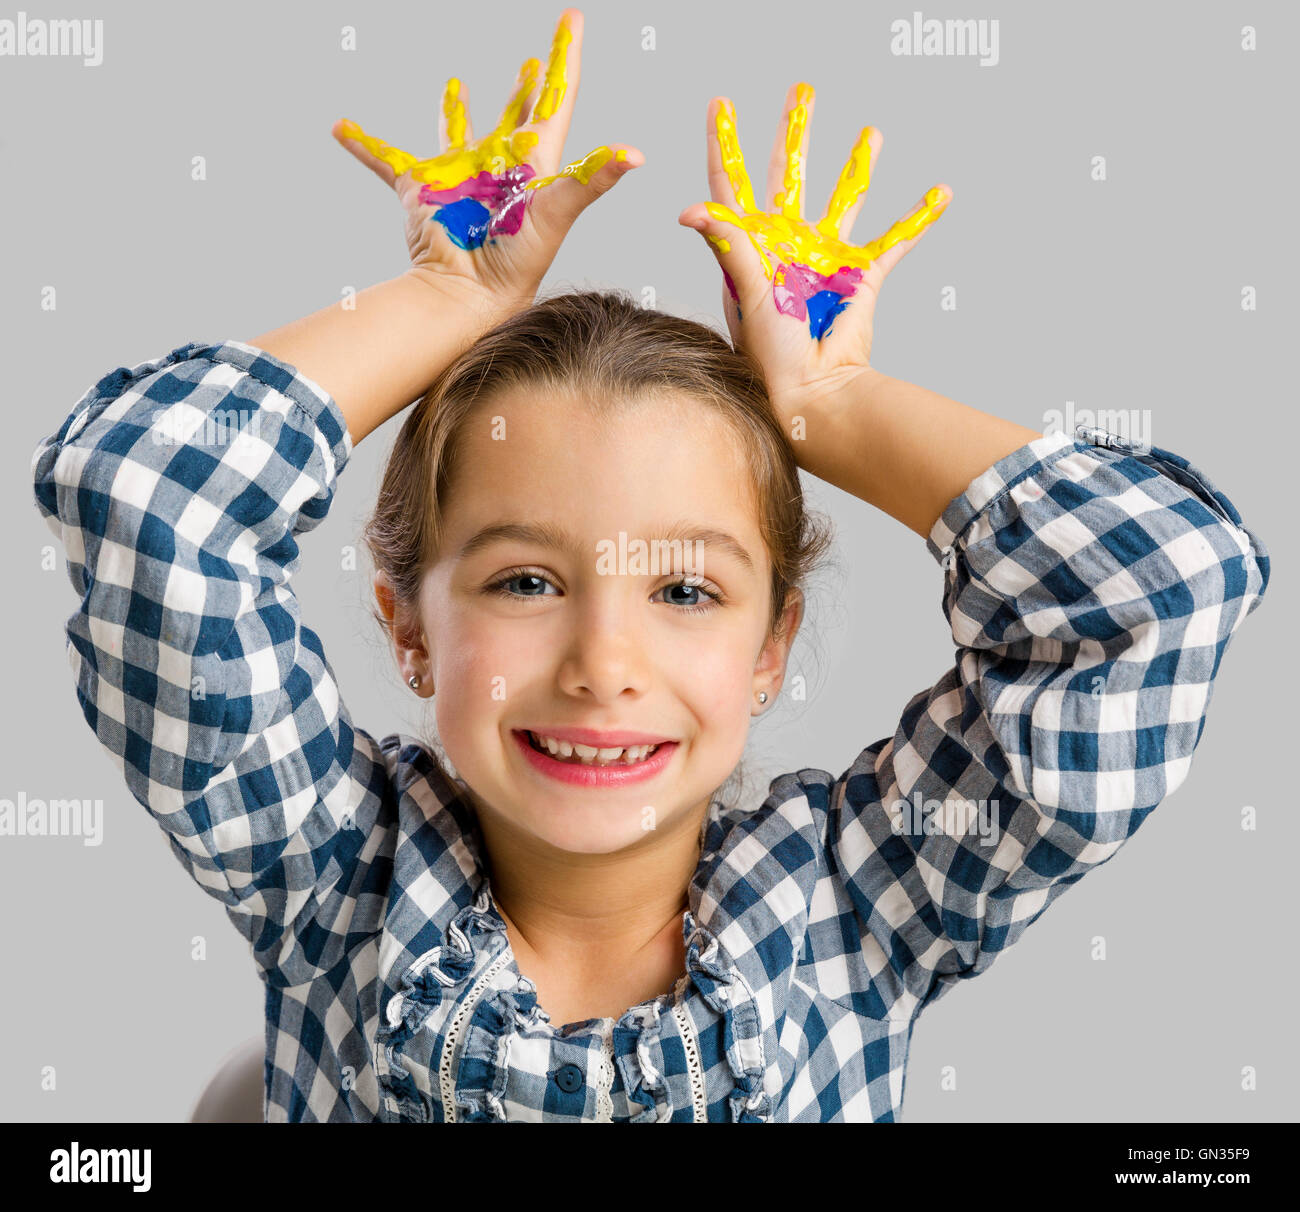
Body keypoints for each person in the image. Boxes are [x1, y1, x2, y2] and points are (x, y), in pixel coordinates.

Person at [29, 9, 1268, 1121]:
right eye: (525, 582)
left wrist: (835, 400)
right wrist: (443, 297)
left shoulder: (868, 897)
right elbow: (145, 495)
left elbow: (1161, 582)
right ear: (408, 624)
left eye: (685, 592)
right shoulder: (330, 868)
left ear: (771, 645)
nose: (603, 667)